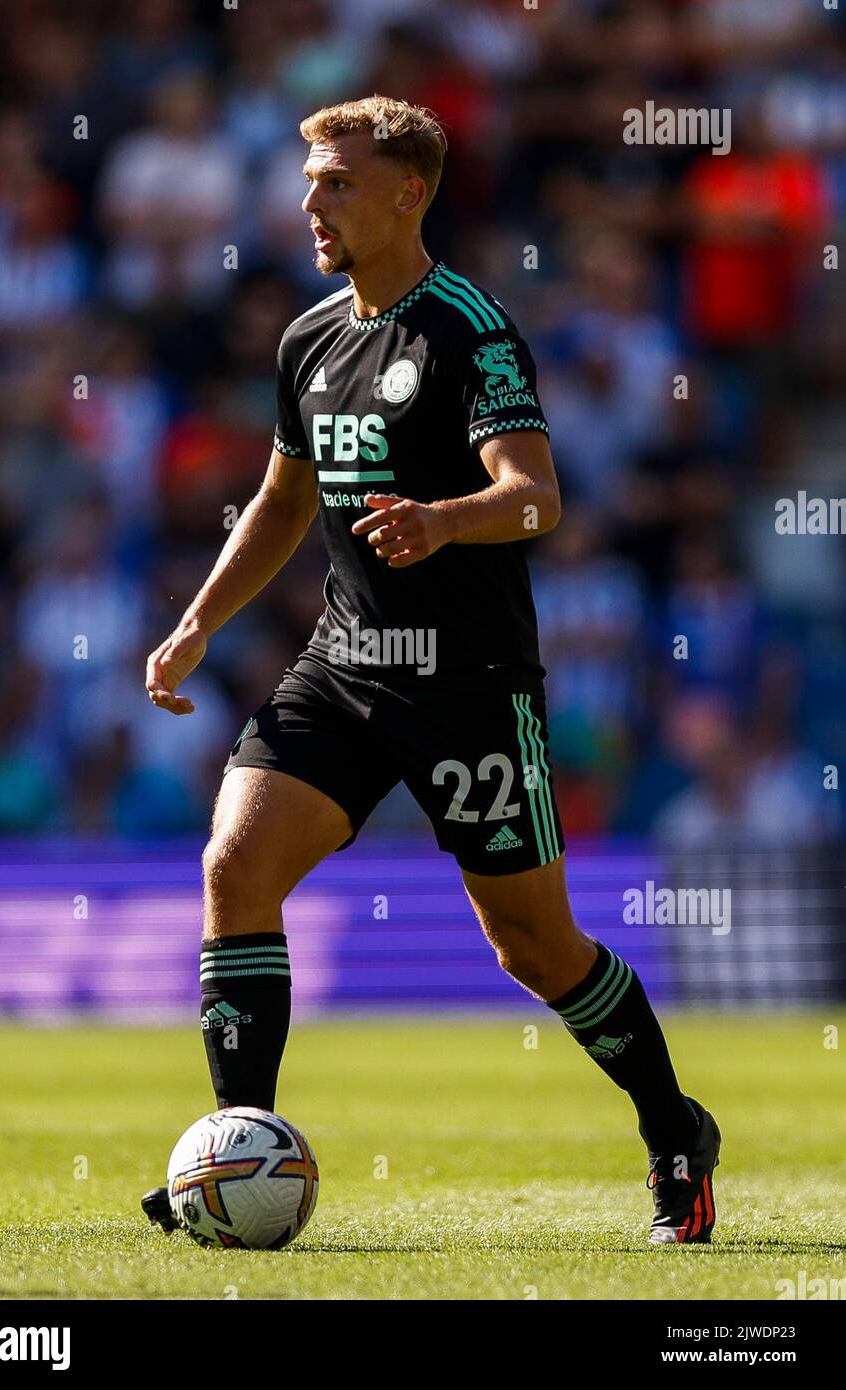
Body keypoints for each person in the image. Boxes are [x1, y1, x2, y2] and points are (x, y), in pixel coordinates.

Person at [141, 96, 720, 1246]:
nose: (312, 202)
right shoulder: (308, 337)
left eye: (338, 184)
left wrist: (445, 521)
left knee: (534, 947)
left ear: (409, 194)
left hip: (469, 683)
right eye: (310, 182)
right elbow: (283, 497)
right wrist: (197, 620)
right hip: (344, 666)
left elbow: (537, 496)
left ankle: (675, 1129)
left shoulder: (469, 331)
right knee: (234, 870)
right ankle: (237, 1148)